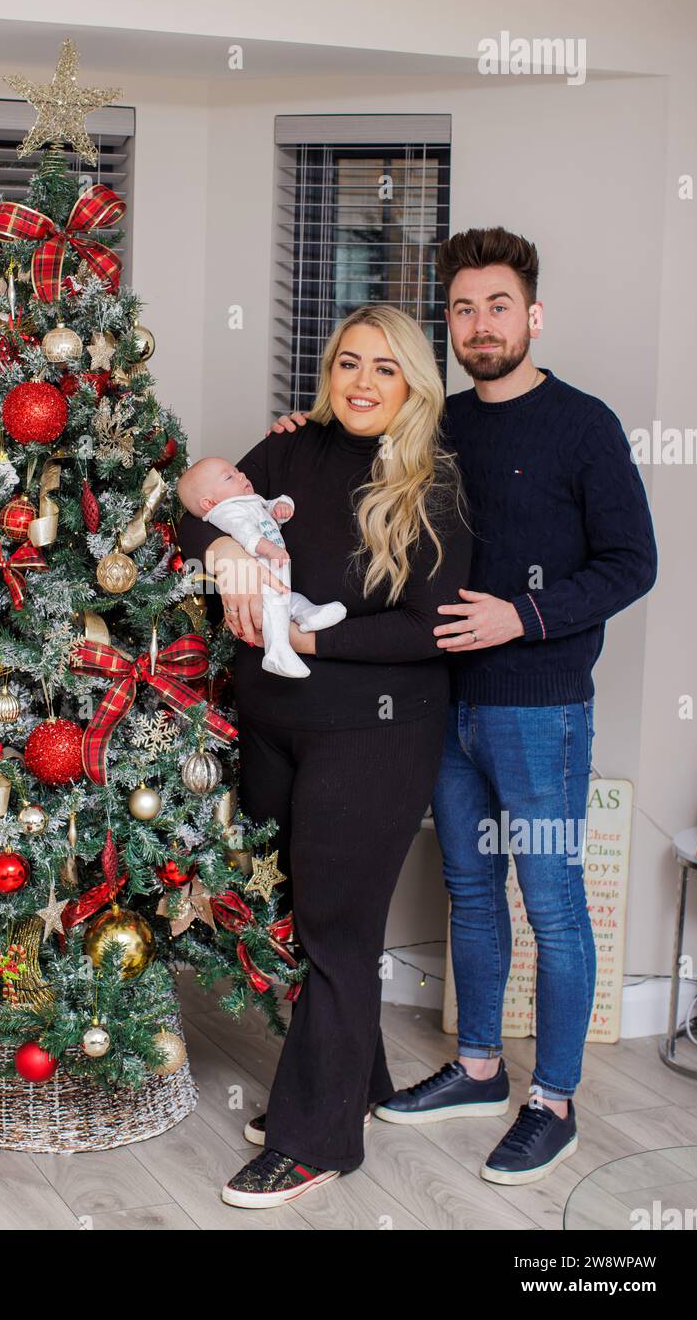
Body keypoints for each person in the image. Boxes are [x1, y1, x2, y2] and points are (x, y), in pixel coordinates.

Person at [267, 227, 658, 1186]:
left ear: (532, 316)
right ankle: (478, 1068)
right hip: (439, 704)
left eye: (497, 306)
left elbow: (631, 564)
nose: (479, 325)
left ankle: (553, 1101)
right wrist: (296, 438)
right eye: (462, 309)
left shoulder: (583, 424)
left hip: (537, 707)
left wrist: (520, 617)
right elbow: (359, 450)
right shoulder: (435, 425)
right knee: (470, 895)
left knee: (553, 907)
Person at [177, 304, 472, 1207]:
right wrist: (224, 545)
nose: (361, 382)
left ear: (414, 384)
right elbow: (197, 508)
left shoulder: (434, 484)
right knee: (297, 910)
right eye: (348, 362)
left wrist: (312, 647)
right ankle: (360, 1079)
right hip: (271, 727)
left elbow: (429, 630)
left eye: (385, 368)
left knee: (336, 932)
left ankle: (316, 1138)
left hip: (375, 732)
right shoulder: (291, 450)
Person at [177, 457, 346, 678]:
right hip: (258, 580)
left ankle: (309, 616)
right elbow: (247, 534)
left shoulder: (248, 501)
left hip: (276, 572)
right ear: (209, 504)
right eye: (230, 477)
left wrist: (281, 507)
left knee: (289, 600)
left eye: (237, 471)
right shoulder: (226, 512)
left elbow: (269, 507)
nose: (242, 475)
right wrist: (269, 549)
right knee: (274, 611)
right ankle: (277, 651)